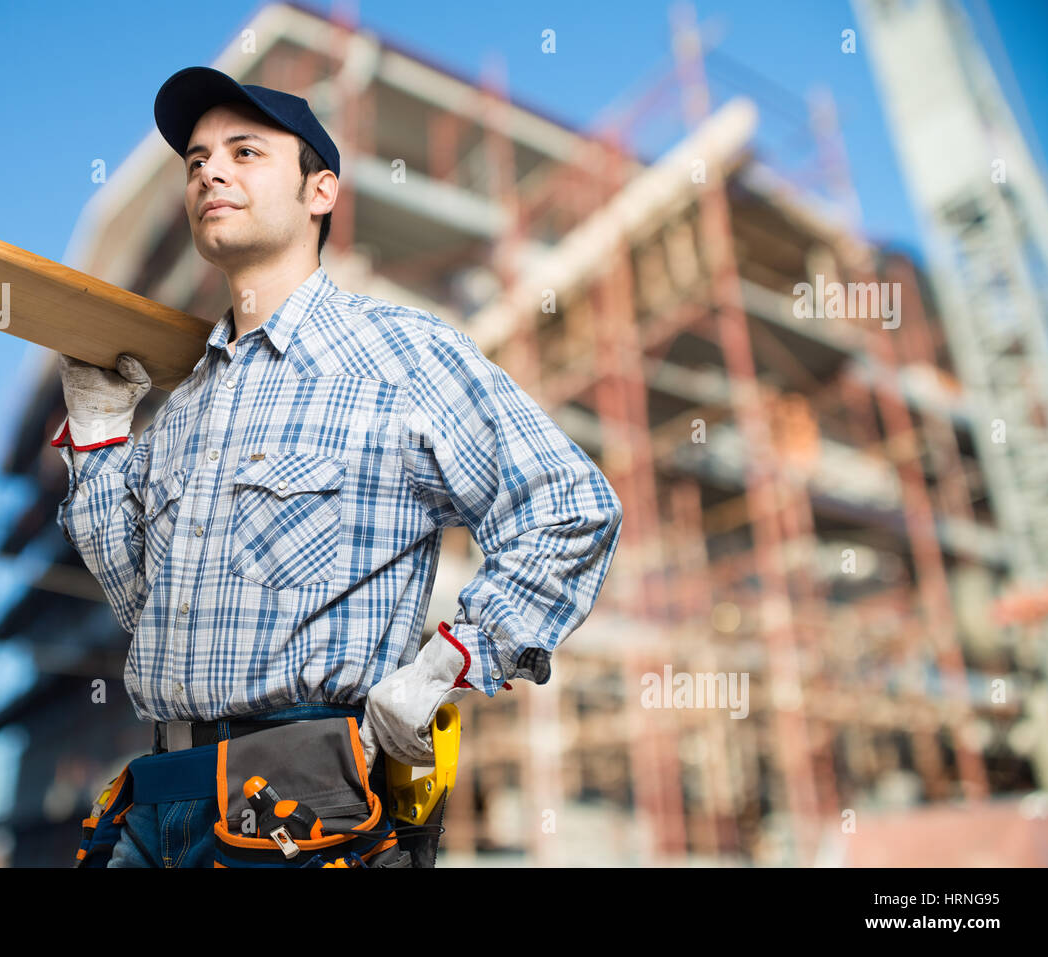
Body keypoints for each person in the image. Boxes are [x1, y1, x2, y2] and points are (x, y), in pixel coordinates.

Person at [51, 66, 623, 867]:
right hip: (154, 802)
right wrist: (102, 439)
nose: (210, 170)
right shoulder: (183, 409)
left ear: (320, 191)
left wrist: (446, 665)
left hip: (301, 806)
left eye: (245, 153)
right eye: (196, 161)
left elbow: (570, 506)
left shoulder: (402, 356)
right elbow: (139, 603)